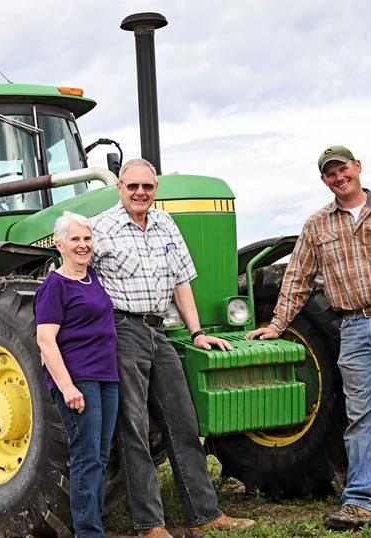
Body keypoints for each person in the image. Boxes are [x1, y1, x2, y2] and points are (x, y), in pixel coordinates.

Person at [247, 146, 371, 529]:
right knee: (359, 415)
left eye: (343, 169)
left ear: (358, 168)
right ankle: (361, 500)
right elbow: (296, 281)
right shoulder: (317, 225)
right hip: (352, 327)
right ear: (324, 180)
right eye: (330, 173)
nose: (339, 177)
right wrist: (276, 325)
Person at [91, 158, 255, 538]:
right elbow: (77, 273)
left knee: (183, 422)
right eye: (132, 186)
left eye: (147, 187)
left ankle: (205, 515)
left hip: (159, 331)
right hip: (122, 329)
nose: (140, 193)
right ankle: (150, 525)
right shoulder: (101, 227)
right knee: (133, 428)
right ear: (120, 188)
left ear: (155, 190)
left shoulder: (166, 223)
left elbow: (182, 282)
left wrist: (197, 333)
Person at [35, 211, 120, 538]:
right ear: (59, 245)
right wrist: (67, 386)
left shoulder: (92, 277)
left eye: (87, 239)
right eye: (75, 239)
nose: (83, 245)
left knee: (99, 455)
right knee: (86, 456)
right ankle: (88, 533)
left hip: (106, 376)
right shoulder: (54, 286)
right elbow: (45, 340)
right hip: (77, 379)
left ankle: (92, 526)